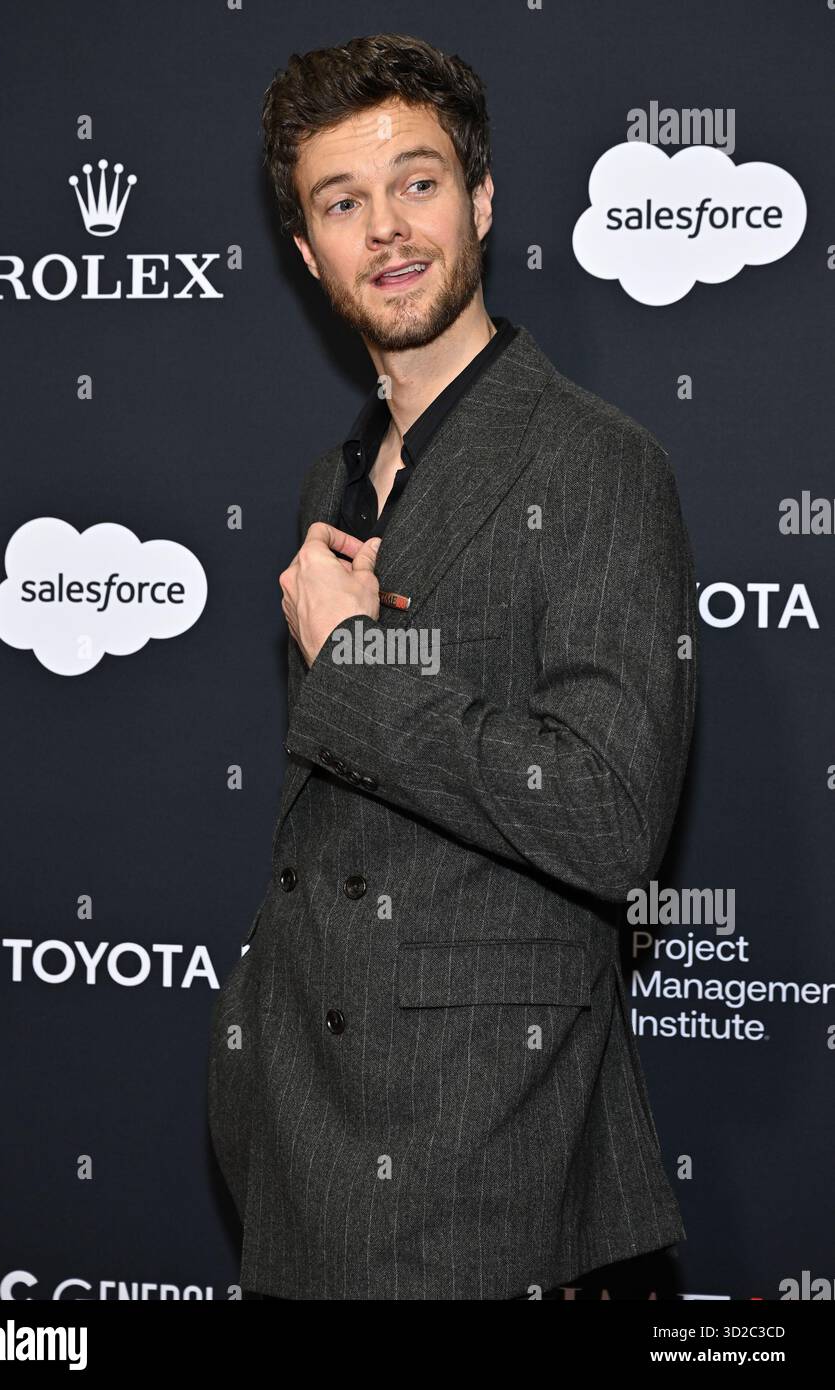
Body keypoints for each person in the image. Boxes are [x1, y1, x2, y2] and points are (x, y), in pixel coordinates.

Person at [207, 31, 698, 1301]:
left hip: (491, 1185)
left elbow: (605, 815)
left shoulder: (595, 462)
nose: (386, 228)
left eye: (416, 182)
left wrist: (359, 655)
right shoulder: (336, 479)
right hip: (301, 1160)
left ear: (479, 200)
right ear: (308, 251)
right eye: (342, 202)